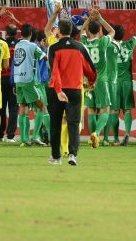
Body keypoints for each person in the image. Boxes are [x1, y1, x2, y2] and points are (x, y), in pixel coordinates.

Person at [46, 19, 97, 166]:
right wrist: (91, 82)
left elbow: (54, 71)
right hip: (75, 89)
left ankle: (56, 157)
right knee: (74, 123)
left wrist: (58, 90)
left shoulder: (53, 48)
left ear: (59, 31)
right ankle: (73, 155)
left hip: (57, 90)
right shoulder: (80, 47)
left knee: (55, 124)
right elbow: (91, 69)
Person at [79, 9, 115, 148]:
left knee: (91, 110)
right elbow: (112, 31)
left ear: (88, 31)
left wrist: (89, 19)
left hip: (88, 81)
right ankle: (96, 133)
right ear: (99, 30)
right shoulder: (102, 42)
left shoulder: (83, 42)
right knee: (105, 109)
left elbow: (82, 30)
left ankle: (91, 138)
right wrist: (100, 18)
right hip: (101, 80)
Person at [113, 8, 136, 146]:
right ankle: (126, 134)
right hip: (127, 81)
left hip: (115, 82)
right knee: (127, 110)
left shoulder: (110, 46)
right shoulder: (129, 44)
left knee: (114, 111)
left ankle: (115, 138)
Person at [13, 23, 46, 146]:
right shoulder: (33, 46)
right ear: (31, 34)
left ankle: (24, 139)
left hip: (18, 80)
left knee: (23, 107)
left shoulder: (17, 45)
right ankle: (35, 136)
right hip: (29, 80)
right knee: (41, 106)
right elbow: (45, 57)